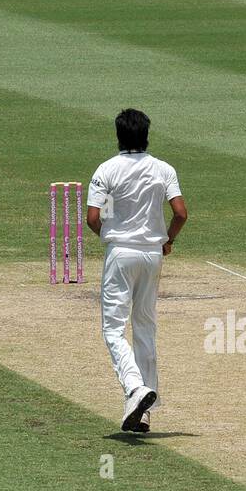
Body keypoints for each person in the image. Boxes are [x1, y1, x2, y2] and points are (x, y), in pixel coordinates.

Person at [86, 109, 188, 433]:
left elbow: (92, 217)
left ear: (118, 137)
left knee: (113, 329)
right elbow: (181, 213)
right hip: (152, 256)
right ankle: (145, 413)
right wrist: (167, 240)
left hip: (120, 253)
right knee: (145, 327)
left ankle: (135, 389)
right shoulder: (163, 169)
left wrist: (111, 236)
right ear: (147, 136)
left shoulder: (107, 170)